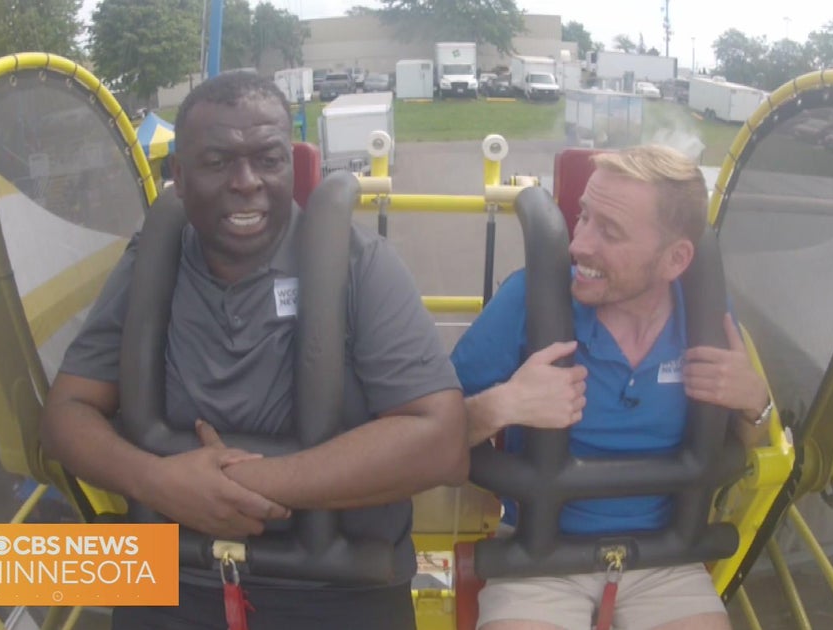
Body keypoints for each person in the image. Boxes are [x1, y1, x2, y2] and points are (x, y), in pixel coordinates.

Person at [40, 71, 468, 630]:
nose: (247, 182)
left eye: (267, 159)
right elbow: (66, 413)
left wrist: (240, 487)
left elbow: (442, 442)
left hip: (336, 586)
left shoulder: (360, 263)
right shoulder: (153, 262)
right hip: (168, 579)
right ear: (180, 177)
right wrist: (158, 482)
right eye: (218, 162)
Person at [451, 145, 772, 630]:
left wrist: (755, 403)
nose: (579, 245)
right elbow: (425, 432)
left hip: (664, 556)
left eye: (610, 231)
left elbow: (759, 442)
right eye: (582, 217)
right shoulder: (529, 298)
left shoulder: (708, 313)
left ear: (675, 259)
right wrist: (505, 403)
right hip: (538, 557)